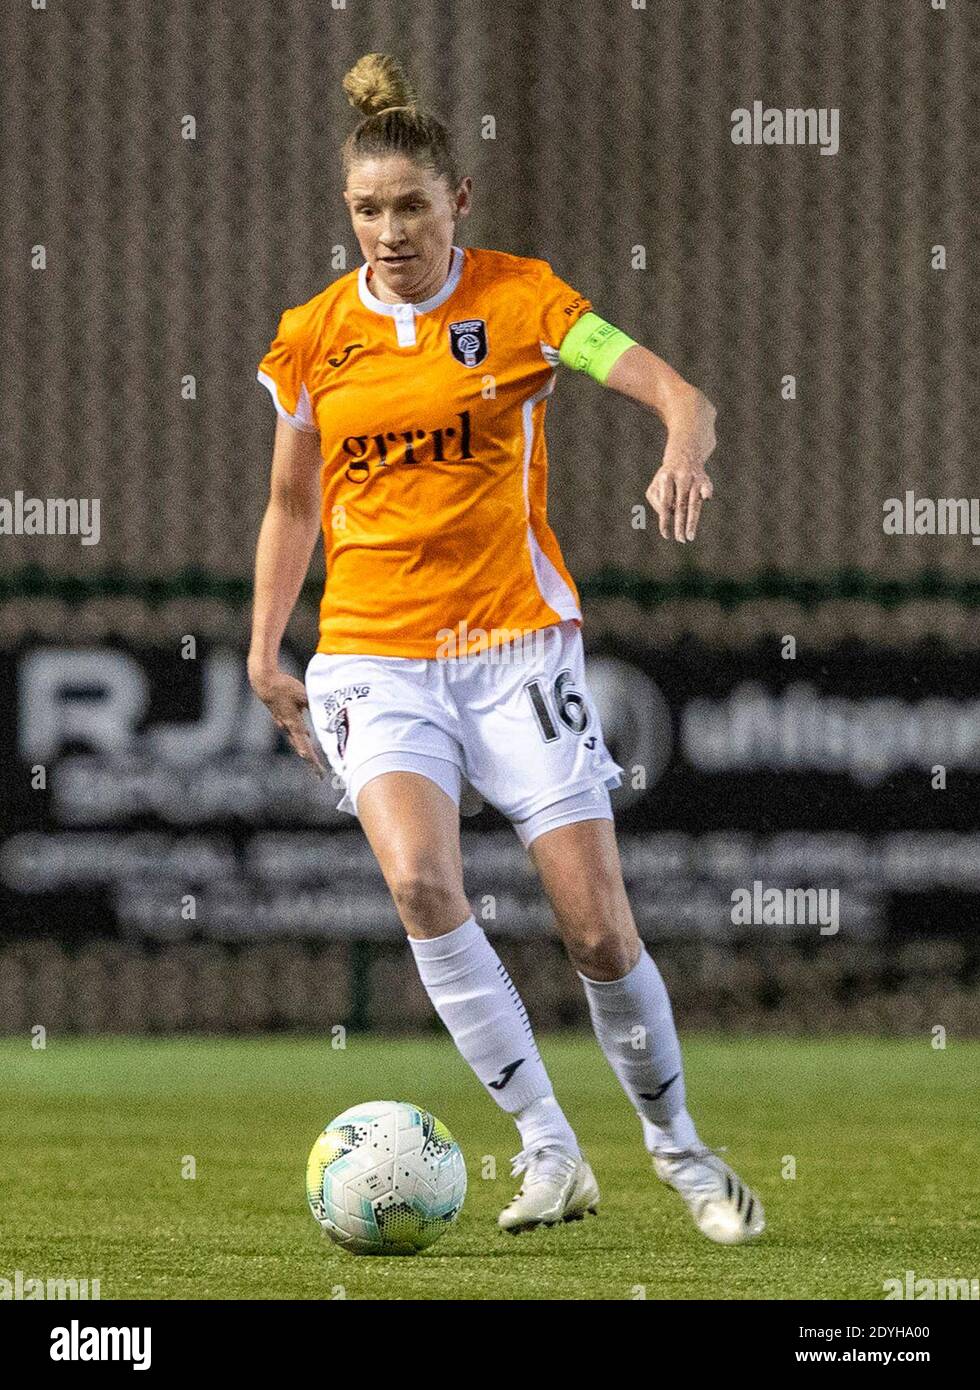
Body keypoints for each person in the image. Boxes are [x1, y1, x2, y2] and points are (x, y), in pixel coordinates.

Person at [249, 52, 763, 1243]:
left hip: (515, 649)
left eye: (411, 206)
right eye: (367, 210)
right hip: (371, 653)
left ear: (458, 202)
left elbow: (676, 391)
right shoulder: (312, 340)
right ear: (348, 214)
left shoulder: (522, 305)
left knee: (594, 923)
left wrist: (682, 444)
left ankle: (681, 1154)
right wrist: (264, 647)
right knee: (421, 884)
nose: (388, 231)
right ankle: (547, 1149)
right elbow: (290, 505)